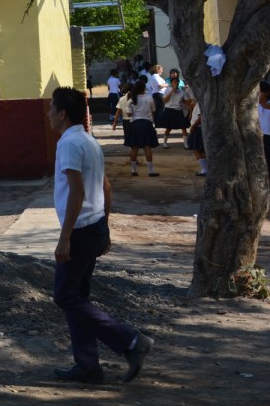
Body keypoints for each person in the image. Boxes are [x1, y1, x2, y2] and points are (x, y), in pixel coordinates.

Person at [48, 86, 153, 384]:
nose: (48, 115)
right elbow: (106, 187)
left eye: (51, 109)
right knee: (77, 297)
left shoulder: (68, 144)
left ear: (63, 114)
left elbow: (77, 193)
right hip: (93, 226)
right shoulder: (89, 141)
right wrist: (104, 225)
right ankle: (88, 366)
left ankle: (131, 342)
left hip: (80, 230)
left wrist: (64, 237)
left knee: (65, 295)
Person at [125, 78, 159, 177]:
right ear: (144, 88)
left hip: (135, 124)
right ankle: (151, 170)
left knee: (134, 148)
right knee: (147, 147)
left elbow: (129, 114)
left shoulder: (131, 99)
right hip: (147, 124)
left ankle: (133, 170)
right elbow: (153, 111)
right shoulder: (149, 98)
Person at [159, 69, 193, 143]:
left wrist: (190, 110)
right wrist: (172, 91)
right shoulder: (167, 90)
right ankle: (165, 142)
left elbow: (188, 102)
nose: (175, 83)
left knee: (183, 127)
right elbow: (164, 100)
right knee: (168, 128)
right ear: (171, 83)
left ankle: (186, 143)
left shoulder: (181, 92)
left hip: (178, 110)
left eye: (176, 82)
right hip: (169, 109)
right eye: (174, 82)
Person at [185, 100, 206, 177]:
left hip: (198, 128)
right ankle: (204, 168)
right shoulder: (197, 105)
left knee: (196, 149)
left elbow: (200, 118)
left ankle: (204, 169)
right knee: (200, 150)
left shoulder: (200, 104)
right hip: (198, 128)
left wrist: (193, 126)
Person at [259, 80, 270, 183]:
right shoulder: (254, 105)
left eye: (261, 92)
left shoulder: (267, 104)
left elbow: (265, 106)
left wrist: (263, 103)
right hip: (260, 136)